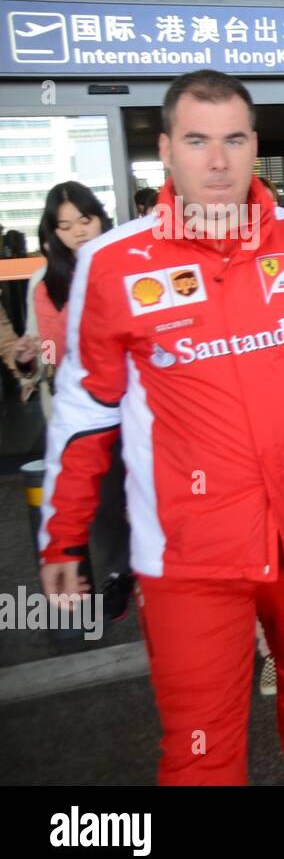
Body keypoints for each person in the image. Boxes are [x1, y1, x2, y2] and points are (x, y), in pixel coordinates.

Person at [37, 69, 284, 786]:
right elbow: (84, 417)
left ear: (255, 146)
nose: (217, 160)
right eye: (197, 140)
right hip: (188, 555)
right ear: (167, 148)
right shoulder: (111, 264)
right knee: (202, 742)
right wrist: (64, 532)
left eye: (233, 139)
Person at [25, 182, 135, 622]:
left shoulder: (128, 263)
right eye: (65, 226)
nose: (77, 233)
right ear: (53, 234)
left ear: (101, 220)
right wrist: (34, 360)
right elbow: (49, 352)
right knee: (105, 497)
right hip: (90, 408)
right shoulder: (46, 283)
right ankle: (119, 571)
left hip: (140, 403)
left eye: (84, 221)